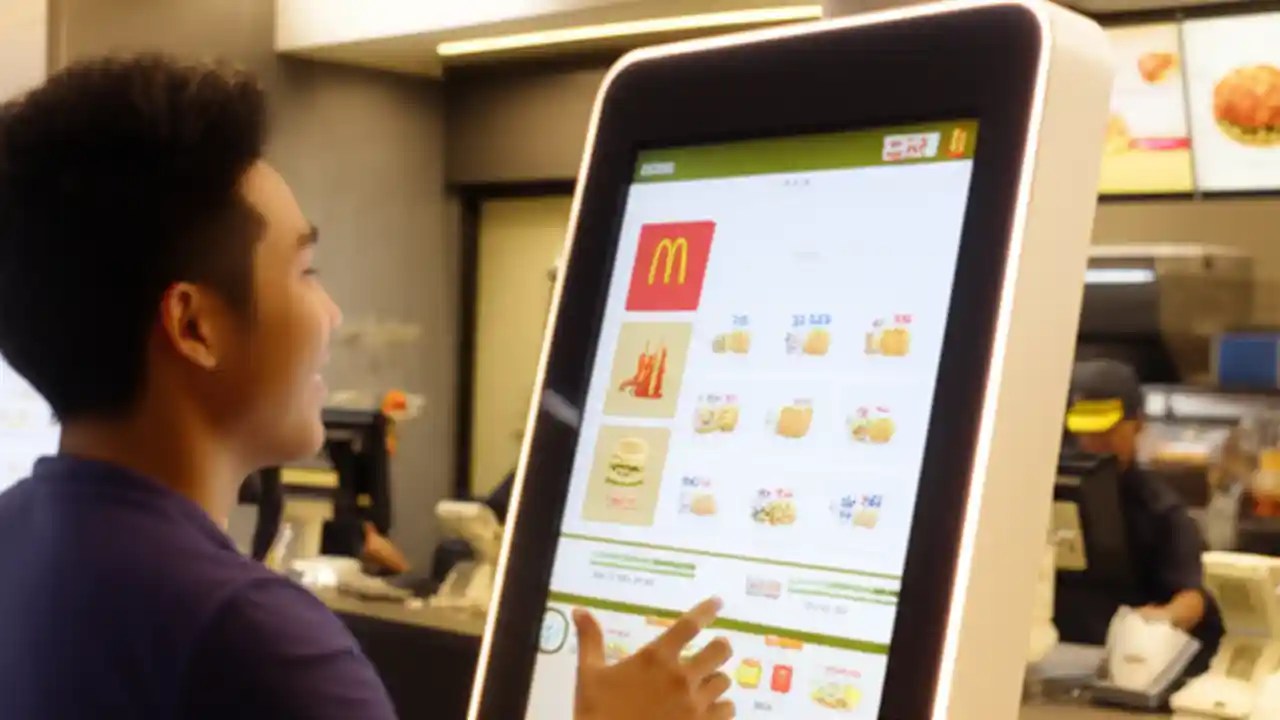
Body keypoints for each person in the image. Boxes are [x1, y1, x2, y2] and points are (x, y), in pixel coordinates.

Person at [0, 55, 734, 720]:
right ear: (194, 325)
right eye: (304, 271)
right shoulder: (254, 639)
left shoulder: (18, 538)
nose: (332, 312)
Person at [1061, 358, 1224, 676]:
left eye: (1107, 432)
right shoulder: (1049, 493)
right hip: (1058, 660)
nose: (1095, 444)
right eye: (1087, 432)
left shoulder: (1160, 509)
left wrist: (1160, 621)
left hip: (1133, 668)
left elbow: (1194, 596)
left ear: (1138, 423)